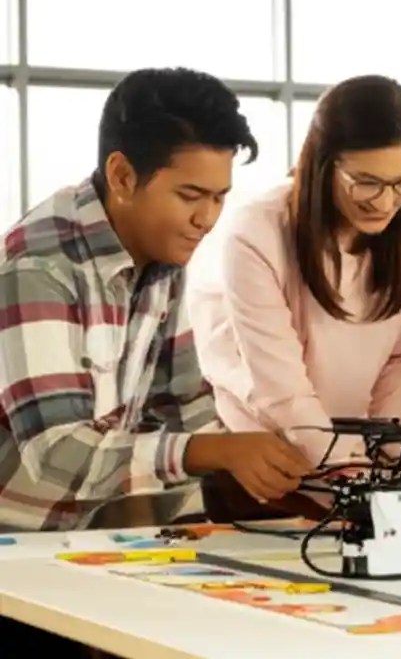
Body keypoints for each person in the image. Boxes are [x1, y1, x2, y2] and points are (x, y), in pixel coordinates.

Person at [0, 67, 312, 535]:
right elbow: (57, 457)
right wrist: (208, 453)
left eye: (219, 197)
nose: (206, 219)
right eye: (190, 195)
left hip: (67, 543)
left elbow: (183, 406)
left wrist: (245, 481)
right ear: (122, 176)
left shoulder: (161, 253)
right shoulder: (37, 269)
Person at [188, 75, 401, 518]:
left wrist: (394, 462)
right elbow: (281, 387)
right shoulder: (258, 231)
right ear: (322, 163)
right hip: (267, 462)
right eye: (366, 182)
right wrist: (357, 476)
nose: (385, 201)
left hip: (348, 465)